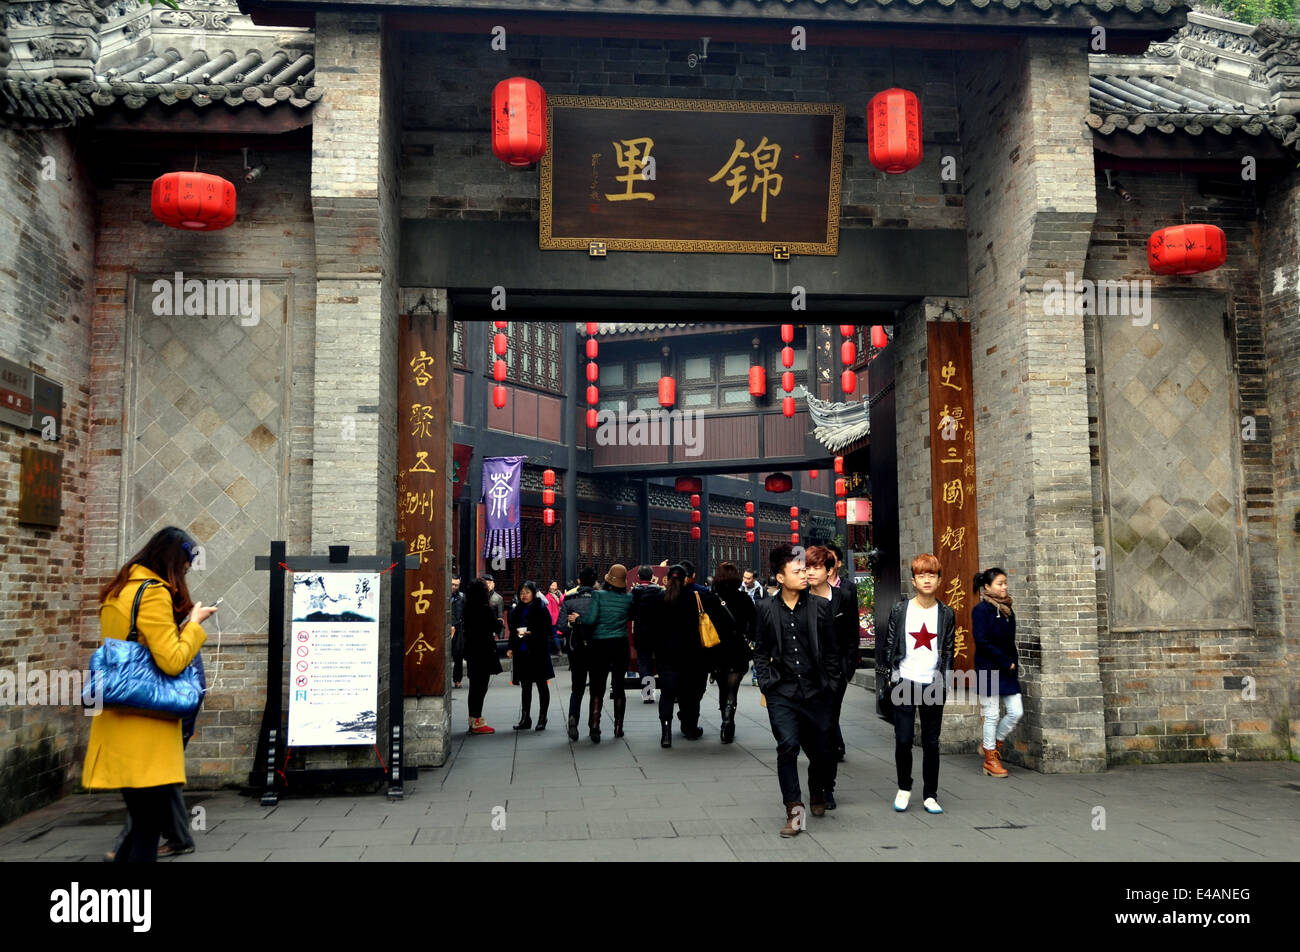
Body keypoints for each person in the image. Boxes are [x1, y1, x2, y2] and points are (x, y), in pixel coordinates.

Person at [83, 526, 214, 863]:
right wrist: (194, 625)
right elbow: (171, 661)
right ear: (173, 563)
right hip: (147, 726)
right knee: (146, 830)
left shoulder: (118, 589)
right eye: (184, 568)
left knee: (141, 822)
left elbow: (129, 647)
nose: (184, 575)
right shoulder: (153, 592)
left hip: (116, 721)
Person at [753, 544, 841, 837]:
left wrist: (831, 684)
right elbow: (761, 650)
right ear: (780, 577)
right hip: (782, 691)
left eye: (805, 570)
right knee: (787, 748)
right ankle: (794, 811)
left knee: (821, 752)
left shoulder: (820, 607)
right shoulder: (765, 608)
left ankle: (818, 789)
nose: (805, 575)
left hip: (817, 691)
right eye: (797, 571)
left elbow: (831, 651)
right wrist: (766, 682)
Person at [880, 553, 955, 815]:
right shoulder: (901, 610)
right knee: (903, 739)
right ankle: (904, 788)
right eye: (921, 575)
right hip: (905, 681)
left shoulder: (946, 613)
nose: (926, 580)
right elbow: (889, 645)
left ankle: (930, 794)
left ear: (938, 580)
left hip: (932, 683)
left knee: (932, 742)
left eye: (931, 575)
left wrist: (945, 681)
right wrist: (890, 676)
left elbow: (948, 651)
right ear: (913, 580)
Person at [656, 563, 727, 747]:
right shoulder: (697, 596)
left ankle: (665, 733)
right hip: (694, 655)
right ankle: (690, 727)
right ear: (686, 577)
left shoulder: (660, 598)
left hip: (668, 656)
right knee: (692, 693)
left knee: (667, 694)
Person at [806, 547, 860, 767]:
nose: (809, 572)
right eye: (807, 567)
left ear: (829, 570)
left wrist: (847, 667)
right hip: (807, 672)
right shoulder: (799, 598)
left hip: (835, 671)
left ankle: (826, 783)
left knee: (829, 720)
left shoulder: (843, 596)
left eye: (816, 567)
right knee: (812, 724)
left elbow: (851, 634)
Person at [569, 563, 632, 742]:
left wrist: (578, 619)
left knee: (597, 686)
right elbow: (631, 616)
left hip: (600, 646)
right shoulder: (628, 599)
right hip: (620, 644)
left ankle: (595, 726)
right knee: (619, 687)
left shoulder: (598, 595)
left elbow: (590, 619)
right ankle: (618, 727)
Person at [972, 566, 1021, 778]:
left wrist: (1012, 663)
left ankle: (991, 744)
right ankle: (990, 759)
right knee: (991, 715)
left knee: (1016, 711)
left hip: (1007, 669)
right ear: (987, 587)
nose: (1004, 587)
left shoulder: (1008, 610)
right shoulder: (981, 611)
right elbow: (982, 642)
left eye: (1005, 583)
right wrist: (1004, 661)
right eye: (999, 584)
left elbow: (1010, 642)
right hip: (988, 668)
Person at [710, 562, 755, 744]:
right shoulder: (744, 598)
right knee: (732, 689)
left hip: (717, 650)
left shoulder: (711, 599)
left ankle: (725, 720)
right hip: (738, 649)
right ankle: (728, 721)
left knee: (722, 687)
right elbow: (754, 623)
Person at [507, 580, 555, 730]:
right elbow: (512, 630)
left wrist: (532, 632)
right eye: (521, 593)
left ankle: (542, 717)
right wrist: (510, 647)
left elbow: (548, 630)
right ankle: (525, 717)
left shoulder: (541, 608)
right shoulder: (516, 610)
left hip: (538, 652)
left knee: (541, 685)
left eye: (527, 592)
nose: (524, 596)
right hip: (522, 652)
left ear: (533, 593)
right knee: (525, 686)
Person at [562, 569, 598, 741]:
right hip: (597, 647)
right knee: (596, 689)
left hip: (576, 647)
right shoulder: (600, 598)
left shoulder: (569, 600)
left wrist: (573, 623)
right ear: (595, 581)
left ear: (579, 581)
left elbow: (561, 626)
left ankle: (573, 718)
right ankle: (594, 726)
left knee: (577, 688)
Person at [462, 578, 503, 734]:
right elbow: (494, 626)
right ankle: (477, 721)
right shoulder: (484, 609)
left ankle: (473, 719)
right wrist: (499, 622)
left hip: (472, 651)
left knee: (474, 686)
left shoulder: (468, 608)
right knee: (480, 686)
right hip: (483, 651)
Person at [630, 566, 664, 705]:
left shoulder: (633, 593)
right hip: (658, 632)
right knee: (661, 662)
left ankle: (648, 694)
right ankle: (667, 690)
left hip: (640, 632)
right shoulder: (660, 592)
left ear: (638, 577)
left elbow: (630, 613)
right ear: (652, 577)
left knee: (644, 662)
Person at [482, 573, 506, 651]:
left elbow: (500, 619)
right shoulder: (477, 597)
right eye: (485, 583)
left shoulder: (498, 598)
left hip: (491, 631)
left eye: (489, 583)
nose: (487, 585)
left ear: (493, 584)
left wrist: (501, 639)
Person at [449, 574, 465, 688]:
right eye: (453, 584)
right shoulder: (442, 595)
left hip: (458, 629)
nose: (454, 587)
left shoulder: (462, 597)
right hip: (445, 629)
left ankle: (457, 679)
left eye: (457, 585)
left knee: (458, 656)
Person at [547, 581, 565, 654]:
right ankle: (559, 650)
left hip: (561, 618)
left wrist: (564, 594)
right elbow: (549, 610)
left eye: (555, 585)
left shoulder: (559, 594)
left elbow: (562, 602)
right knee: (555, 635)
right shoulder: (548, 596)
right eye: (552, 585)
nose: (553, 587)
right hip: (554, 619)